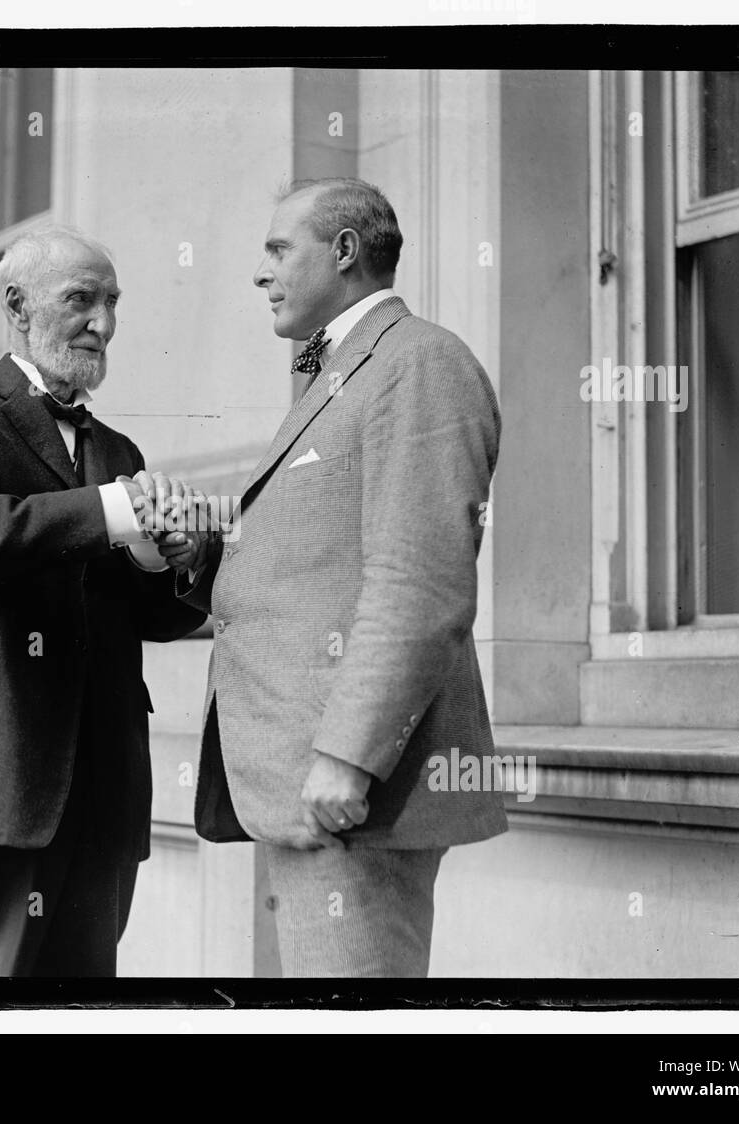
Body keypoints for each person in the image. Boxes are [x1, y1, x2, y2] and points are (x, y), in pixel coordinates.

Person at [153, 177, 506, 977]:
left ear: (344, 251)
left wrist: (350, 755)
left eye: (279, 249)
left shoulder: (419, 362)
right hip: (306, 779)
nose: (260, 273)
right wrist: (198, 555)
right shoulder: (340, 372)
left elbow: (421, 581)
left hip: (356, 789)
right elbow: (313, 563)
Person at [0, 226, 204, 977]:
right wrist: (115, 513)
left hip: (104, 779)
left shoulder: (120, 453)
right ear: (16, 305)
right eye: (82, 299)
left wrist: (163, 561)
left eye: (113, 302)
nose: (104, 323)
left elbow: (152, 616)